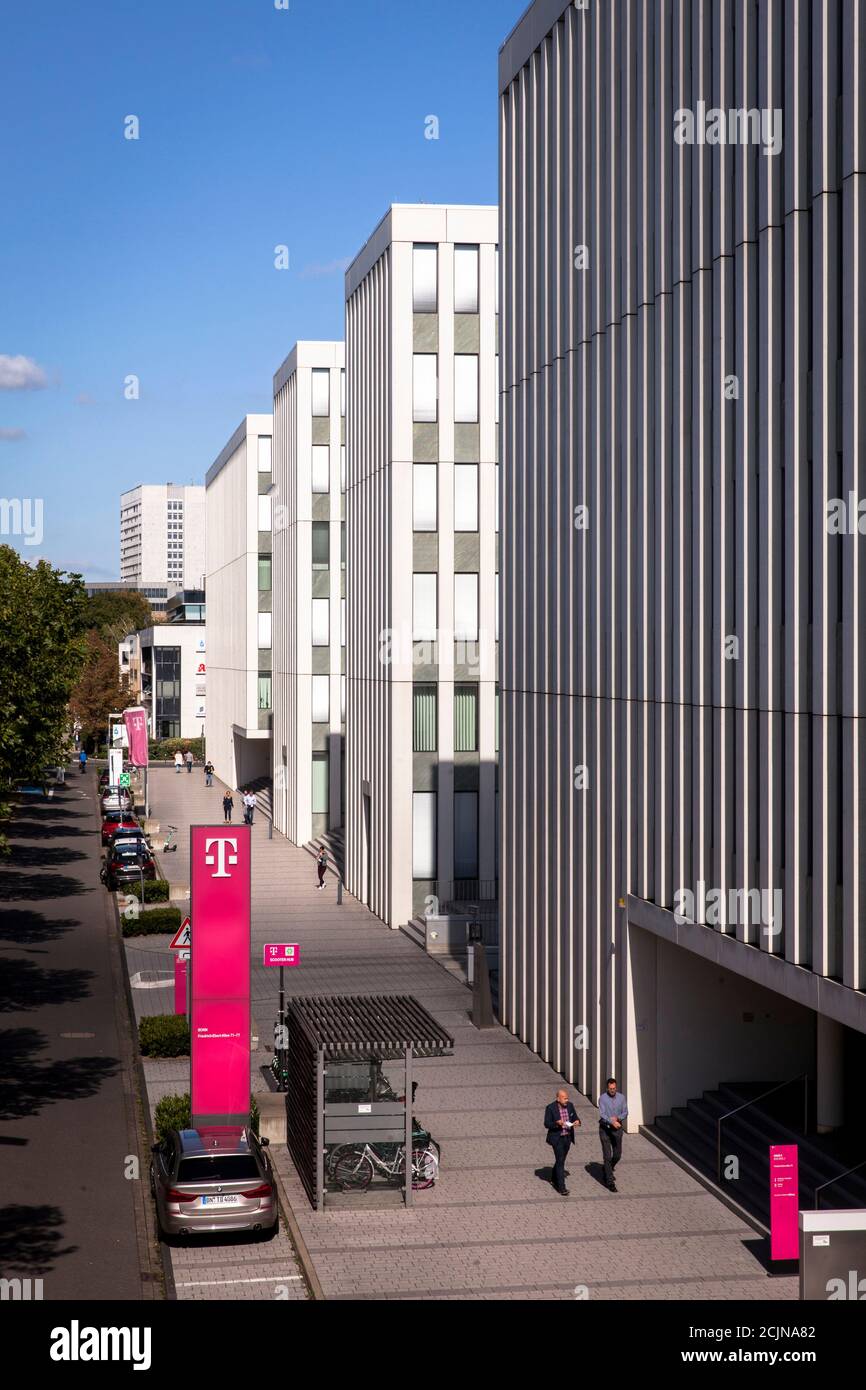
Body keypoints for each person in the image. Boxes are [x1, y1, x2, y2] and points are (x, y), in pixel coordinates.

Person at [543, 1088, 581, 1196]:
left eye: (567, 1098)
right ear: (558, 1099)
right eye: (564, 1098)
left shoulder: (570, 1106)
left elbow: (575, 1117)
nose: (566, 1100)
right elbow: (546, 1123)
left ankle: (554, 1177)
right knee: (560, 1161)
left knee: (561, 1159)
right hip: (557, 1138)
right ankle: (561, 1187)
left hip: (567, 1137)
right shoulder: (550, 1108)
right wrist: (557, 1123)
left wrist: (578, 1121)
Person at [598, 1077, 628, 1192]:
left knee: (617, 1155)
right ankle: (610, 1182)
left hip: (617, 1130)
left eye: (614, 1088)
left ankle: (608, 1168)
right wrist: (612, 1122)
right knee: (607, 1156)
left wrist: (618, 1118)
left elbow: (625, 1112)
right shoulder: (602, 1098)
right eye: (610, 1088)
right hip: (605, 1129)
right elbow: (603, 1114)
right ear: (607, 1088)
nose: (612, 1090)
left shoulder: (622, 1098)